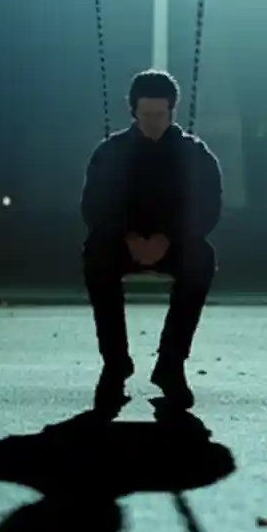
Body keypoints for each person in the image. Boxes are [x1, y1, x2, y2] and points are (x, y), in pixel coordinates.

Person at [80, 69, 223, 410]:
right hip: (121, 241)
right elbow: (93, 206)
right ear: (134, 111)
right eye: (147, 115)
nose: (154, 121)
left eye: (160, 114)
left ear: (172, 111)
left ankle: (171, 362)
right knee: (95, 254)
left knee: (202, 258)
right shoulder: (111, 152)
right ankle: (115, 361)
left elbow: (209, 207)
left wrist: (167, 237)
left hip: (176, 242)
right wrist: (129, 236)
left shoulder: (195, 154)